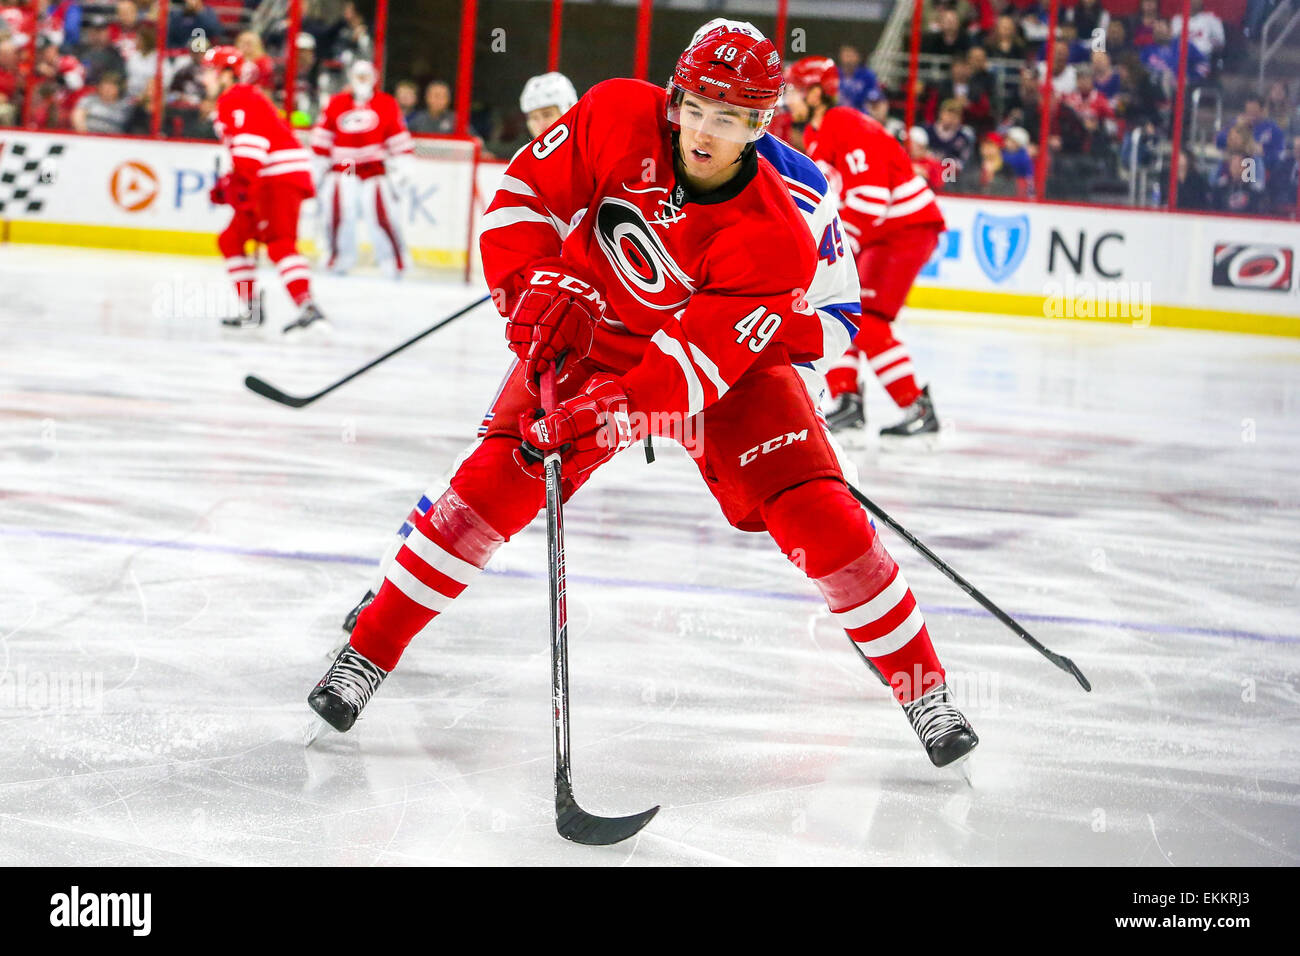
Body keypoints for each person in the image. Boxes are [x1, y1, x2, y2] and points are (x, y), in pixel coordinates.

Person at [311, 24, 978, 770]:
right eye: (696, 106)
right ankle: (366, 653)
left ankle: (924, 689)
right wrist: (529, 287)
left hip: (739, 365)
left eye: (729, 118)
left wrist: (622, 405)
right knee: (500, 478)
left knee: (819, 515)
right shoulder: (616, 115)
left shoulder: (792, 216)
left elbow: (759, 346)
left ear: (761, 124)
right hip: (602, 332)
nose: (704, 129)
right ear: (675, 95)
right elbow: (521, 202)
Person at [784, 56, 946, 442]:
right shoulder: (816, 135)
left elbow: (872, 198)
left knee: (869, 321)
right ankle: (848, 403)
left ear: (817, 93)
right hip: (881, 233)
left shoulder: (844, 124)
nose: (788, 99)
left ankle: (917, 408)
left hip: (905, 229)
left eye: (794, 90)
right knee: (841, 310)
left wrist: (838, 251)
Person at [204, 46, 328, 335]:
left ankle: (308, 307)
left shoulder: (236, 98)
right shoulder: (238, 98)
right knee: (232, 239)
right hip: (267, 177)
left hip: (276, 177)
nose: (204, 77)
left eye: (210, 70)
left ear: (227, 75)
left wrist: (233, 183)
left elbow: (251, 152)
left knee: (279, 242)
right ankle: (252, 309)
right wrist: (232, 182)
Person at [310, 60, 413, 278]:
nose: (362, 81)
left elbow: (399, 141)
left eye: (366, 76)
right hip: (343, 168)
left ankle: (395, 262)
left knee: (383, 217)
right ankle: (337, 259)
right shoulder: (336, 103)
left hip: (374, 168)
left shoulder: (386, 103)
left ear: (374, 78)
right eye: (359, 76)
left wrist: (402, 172)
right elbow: (321, 140)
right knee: (338, 213)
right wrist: (316, 171)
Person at [519, 70, 578, 140]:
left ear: (569, 110)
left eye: (547, 115)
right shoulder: (524, 151)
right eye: (534, 118)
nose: (541, 124)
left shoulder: (590, 145)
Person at [836, 43, 878, 112]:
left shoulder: (867, 75)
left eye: (852, 54)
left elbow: (875, 100)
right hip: (836, 115)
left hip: (859, 116)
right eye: (846, 54)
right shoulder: (833, 74)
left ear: (858, 57)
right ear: (840, 55)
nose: (849, 58)